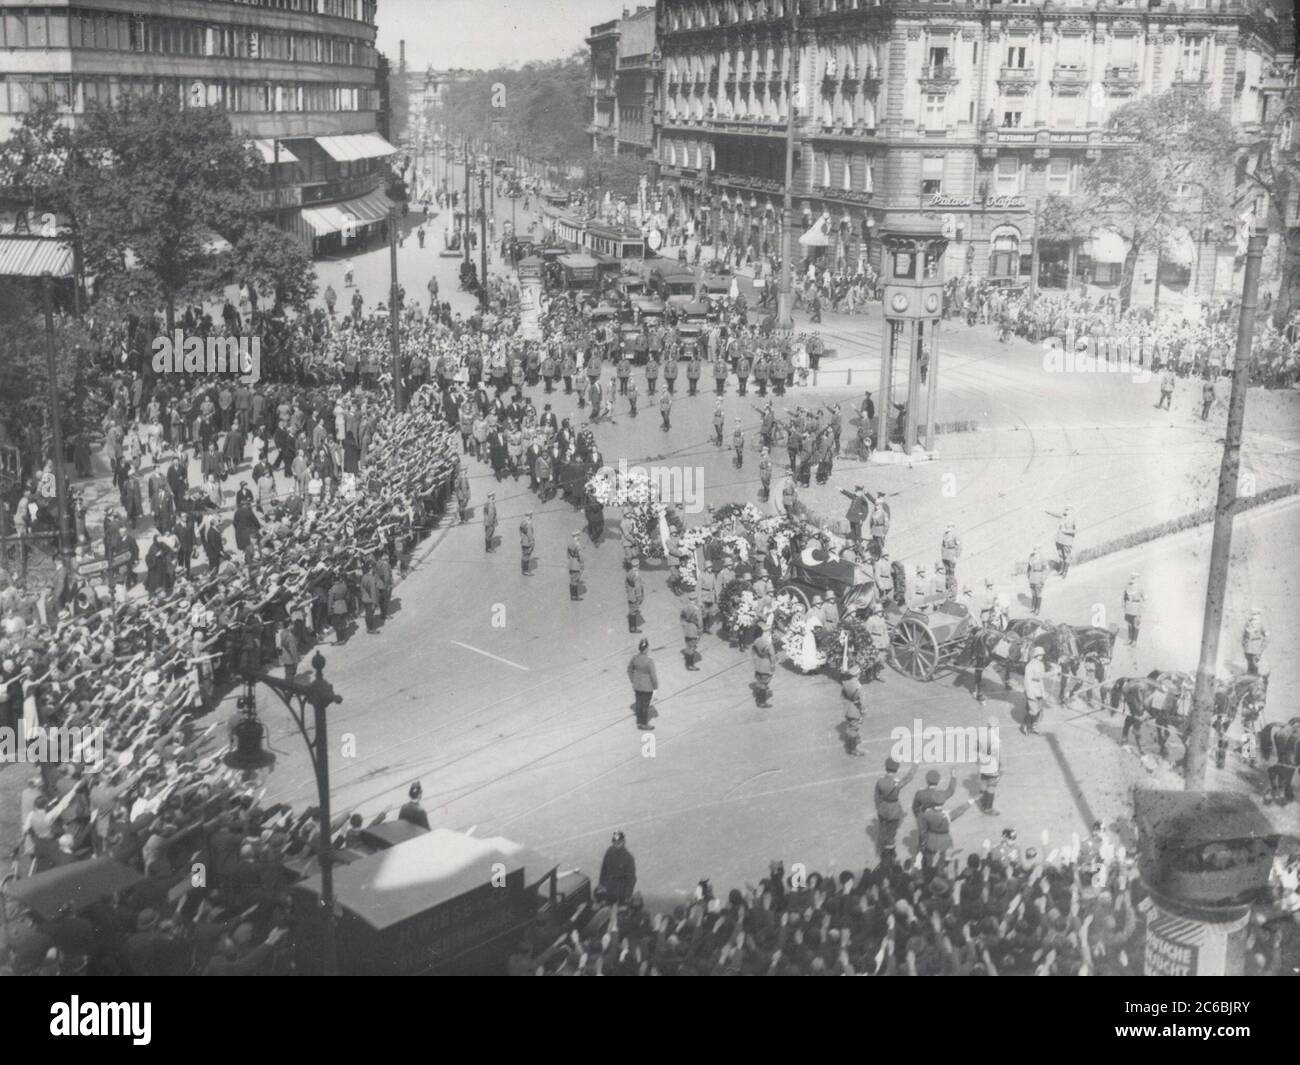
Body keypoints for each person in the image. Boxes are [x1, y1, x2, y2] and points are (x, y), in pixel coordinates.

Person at [874, 757, 915, 860]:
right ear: (896, 769)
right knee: (891, 832)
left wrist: (879, 807)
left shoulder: (880, 780)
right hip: (894, 810)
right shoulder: (896, 783)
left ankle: (882, 849)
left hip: (883, 809)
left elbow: (877, 796)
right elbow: (909, 777)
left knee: (883, 829)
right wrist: (916, 764)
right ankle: (889, 853)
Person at [626, 639, 657, 730]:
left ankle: (639, 722)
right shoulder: (649, 661)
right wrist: (655, 686)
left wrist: (633, 679)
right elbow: (653, 675)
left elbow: (629, 669)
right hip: (647, 687)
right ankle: (644, 724)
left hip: (637, 686)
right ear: (646, 649)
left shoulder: (635, 658)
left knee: (639, 704)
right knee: (645, 705)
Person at [599, 831, 637, 902]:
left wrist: (627, 895)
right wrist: (601, 885)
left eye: (619, 843)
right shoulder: (609, 852)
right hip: (608, 889)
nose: (616, 845)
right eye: (615, 843)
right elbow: (604, 870)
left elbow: (631, 878)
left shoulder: (628, 857)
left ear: (623, 842)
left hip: (621, 892)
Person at [977, 715, 1000, 815]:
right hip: (991, 766)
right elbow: (995, 754)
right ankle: (988, 808)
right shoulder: (995, 739)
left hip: (983, 764)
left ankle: (982, 801)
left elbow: (977, 748)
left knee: (984, 783)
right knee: (991, 786)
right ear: (997, 726)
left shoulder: (982, 735)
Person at [1022, 646, 1047, 735]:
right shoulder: (1029, 665)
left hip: (1039, 690)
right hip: (1031, 689)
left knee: (1039, 710)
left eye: (1042, 655)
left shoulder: (1041, 664)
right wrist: (1030, 694)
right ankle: (1025, 725)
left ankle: (1034, 726)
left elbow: (1041, 678)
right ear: (1036, 655)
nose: (1042, 656)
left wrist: (1043, 692)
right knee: (1033, 711)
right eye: (1040, 655)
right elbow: (1027, 680)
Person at [751, 626, 775, 707]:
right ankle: (762, 702)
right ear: (766, 632)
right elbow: (772, 656)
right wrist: (772, 667)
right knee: (764, 684)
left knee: (759, 682)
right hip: (766, 666)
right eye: (769, 632)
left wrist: (756, 662)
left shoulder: (755, 641)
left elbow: (753, 654)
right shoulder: (768, 643)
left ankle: (758, 699)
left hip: (758, 666)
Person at [680, 593, 703, 671]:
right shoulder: (697, 609)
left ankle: (688, 661)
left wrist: (684, 626)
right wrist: (700, 631)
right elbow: (700, 622)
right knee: (692, 647)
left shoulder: (685, 607)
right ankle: (690, 665)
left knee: (688, 645)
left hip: (687, 629)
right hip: (693, 629)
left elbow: (682, 618)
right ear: (695, 599)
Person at [1241, 608, 1267, 674]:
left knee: (1255, 663)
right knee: (1249, 662)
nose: (1254, 616)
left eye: (1256, 614)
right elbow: (1244, 634)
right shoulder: (1248, 624)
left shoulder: (1261, 625)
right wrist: (1244, 644)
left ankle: (1255, 677)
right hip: (1248, 646)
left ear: (1258, 615)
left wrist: (1262, 647)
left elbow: (1266, 636)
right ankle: (1249, 676)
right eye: (1252, 614)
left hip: (1256, 647)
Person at [1122, 572, 1143, 645]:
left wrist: (1142, 605)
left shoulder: (1140, 587)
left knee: (1135, 624)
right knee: (1129, 624)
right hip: (1128, 607)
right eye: (1131, 578)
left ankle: (1134, 641)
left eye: (1134, 578)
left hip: (1136, 607)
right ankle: (1130, 639)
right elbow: (1124, 596)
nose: (1132, 579)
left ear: (1137, 579)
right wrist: (1124, 605)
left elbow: (1144, 597)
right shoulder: (1127, 586)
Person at [1054, 506, 1076, 578]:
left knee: (1066, 556)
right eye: (1065, 509)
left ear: (1071, 511)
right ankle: (1061, 570)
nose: (1066, 511)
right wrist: (1045, 510)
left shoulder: (1073, 520)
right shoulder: (1063, 517)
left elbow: (1075, 531)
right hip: (1059, 540)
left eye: (1068, 509)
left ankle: (1065, 572)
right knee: (1061, 556)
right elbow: (1054, 514)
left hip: (1067, 541)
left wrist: (1065, 531)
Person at [1026, 544, 1047, 615]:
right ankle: (1033, 607)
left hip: (1039, 577)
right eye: (1034, 549)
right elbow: (1028, 567)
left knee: (1038, 594)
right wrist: (1028, 576)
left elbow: (1045, 569)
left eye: (1036, 549)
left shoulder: (1042, 558)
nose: (1035, 550)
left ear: (1039, 549)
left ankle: (1037, 609)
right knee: (1033, 593)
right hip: (1032, 577)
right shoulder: (1031, 556)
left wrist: (1042, 580)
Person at [625, 561, 644, 633]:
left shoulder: (629, 572)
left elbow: (626, 583)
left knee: (632, 610)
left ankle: (632, 628)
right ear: (637, 565)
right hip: (634, 596)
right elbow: (638, 587)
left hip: (630, 593)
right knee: (633, 611)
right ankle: (633, 628)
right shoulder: (636, 575)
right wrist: (639, 597)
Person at [567, 533, 584, 601]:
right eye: (578, 536)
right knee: (575, 581)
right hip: (576, 564)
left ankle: (572, 595)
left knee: (572, 579)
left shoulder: (570, 544)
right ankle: (574, 596)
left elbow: (567, 555)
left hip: (571, 564)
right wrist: (582, 564)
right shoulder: (578, 546)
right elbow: (580, 557)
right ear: (577, 537)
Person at [519, 512, 535, 576]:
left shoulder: (522, 523)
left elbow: (520, 531)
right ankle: (525, 571)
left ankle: (523, 569)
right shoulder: (529, 524)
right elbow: (530, 535)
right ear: (530, 516)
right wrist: (532, 543)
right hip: (527, 543)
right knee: (526, 556)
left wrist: (522, 538)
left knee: (524, 555)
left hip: (523, 542)